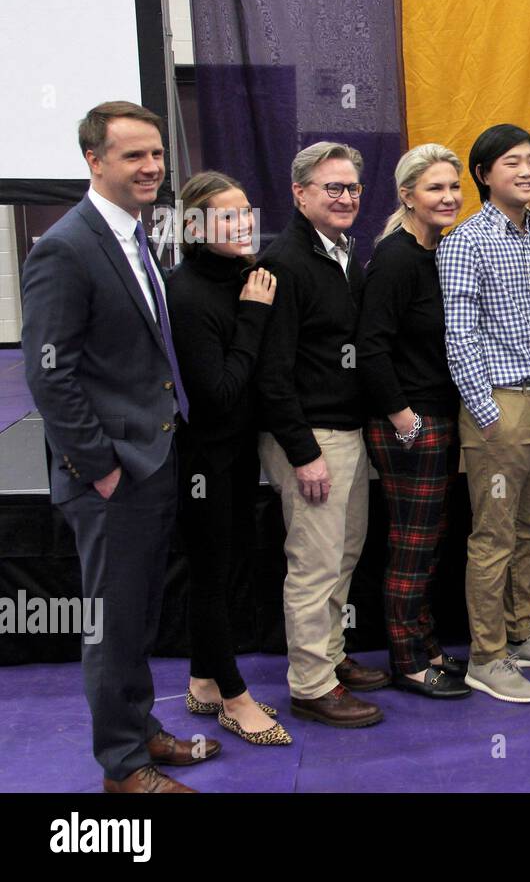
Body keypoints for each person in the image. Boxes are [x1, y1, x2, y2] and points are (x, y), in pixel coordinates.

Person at [21, 101, 219, 791]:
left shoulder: (136, 237)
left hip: (153, 460)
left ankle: (141, 732)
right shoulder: (66, 248)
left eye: (158, 153)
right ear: (94, 161)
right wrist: (99, 468)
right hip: (111, 475)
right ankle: (124, 766)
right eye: (134, 155)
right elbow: (49, 373)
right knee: (112, 626)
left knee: (137, 617)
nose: (152, 167)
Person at [438, 125, 530, 703]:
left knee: (528, 528)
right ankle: (487, 655)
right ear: (484, 175)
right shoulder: (465, 241)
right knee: (493, 536)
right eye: (512, 162)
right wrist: (487, 412)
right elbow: (460, 335)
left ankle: (520, 634)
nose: (527, 170)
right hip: (500, 406)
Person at [256, 142, 387, 727]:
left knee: (342, 556)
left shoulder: (341, 253)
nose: (345, 197)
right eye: (332, 188)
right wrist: (303, 453)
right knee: (313, 565)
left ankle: (330, 660)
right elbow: (271, 372)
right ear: (300, 194)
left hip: (347, 433)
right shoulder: (284, 262)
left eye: (353, 188)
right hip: (311, 440)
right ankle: (310, 685)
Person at [168, 171, 292, 745]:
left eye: (246, 211)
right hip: (203, 461)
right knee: (213, 575)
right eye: (227, 215)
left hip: (237, 453)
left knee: (229, 566)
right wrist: (254, 315)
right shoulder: (189, 293)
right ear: (194, 226)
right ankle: (235, 697)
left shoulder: (246, 277)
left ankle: (202, 679)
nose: (243, 223)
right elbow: (217, 395)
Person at [357, 144, 471, 701]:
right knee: (411, 544)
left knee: (426, 544)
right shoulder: (397, 258)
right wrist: (405, 419)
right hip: (409, 421)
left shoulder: (438, 251)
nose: (448, 197)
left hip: (434, 418)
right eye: (435, 188)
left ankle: (423, 647)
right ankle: (408, 662)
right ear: (407, 195)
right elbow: (370, 348)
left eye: (453, 187)